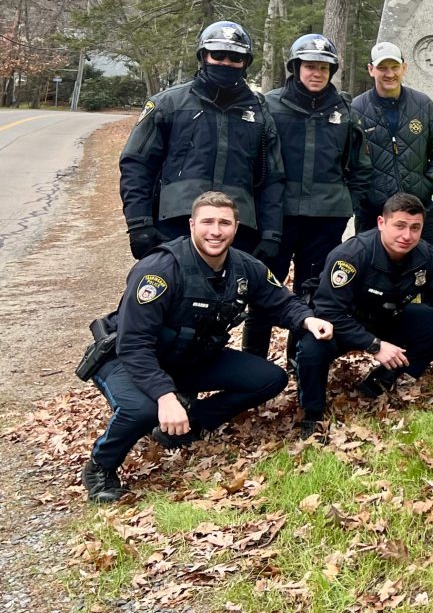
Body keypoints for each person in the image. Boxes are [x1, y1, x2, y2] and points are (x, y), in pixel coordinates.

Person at [80, 191, 333, 503]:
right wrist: (165, 397)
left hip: (188, 357)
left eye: (224, 223)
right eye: (207, 222)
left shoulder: (245, 267)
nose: (216, 231)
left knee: (270, 378)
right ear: (192, 225)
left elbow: (279, 302)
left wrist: (308, 320)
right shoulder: (159, 270)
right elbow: (133, 344)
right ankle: (100, 467)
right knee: (144, 410)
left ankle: (190, 425)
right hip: (127, 359)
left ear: (236, 228)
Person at [298, 193, 433, 434]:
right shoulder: (351, 255)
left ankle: (382, 379)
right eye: (399, 226)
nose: (407, 235)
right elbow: (329, 312)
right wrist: (374, 345)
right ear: (381, 223)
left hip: (386, 317)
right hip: (343, 323)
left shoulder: (427, 256)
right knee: (311, 347)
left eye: (415, 228)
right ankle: (312, 414)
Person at [245, 33, 372, 358]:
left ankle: (298, 360)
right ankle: (254, 361)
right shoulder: (270, 105)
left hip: (326, 219)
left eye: (324, 68)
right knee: (264, 289)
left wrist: (348, 204)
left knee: (311, 293)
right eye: (310, 66)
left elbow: (361, 166)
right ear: (295, 67)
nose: (317, 73)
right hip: (278, 217)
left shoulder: (345, 111)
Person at [119, 21, 285, 263]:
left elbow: (273, 180)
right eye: (218, 55)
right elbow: (137, 165)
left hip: (239, 231)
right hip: (174, 226)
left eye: (235, 58)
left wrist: (271, 234)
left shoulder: (260, 113)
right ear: (203, 56)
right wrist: (139, 223)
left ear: (245, 63)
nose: (226, 63)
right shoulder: (168, 104)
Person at [353, 42, 433, 252]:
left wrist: (425, 185)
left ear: (404, 68)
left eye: (395, 67)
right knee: (371, 266)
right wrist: (365, 195)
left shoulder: (423, 106)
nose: (390, 74)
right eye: (382, 68)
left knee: (431, 264)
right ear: (371, 70)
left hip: (419, 208)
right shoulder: (356, 109)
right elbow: (350, 161)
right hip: (373, 212)